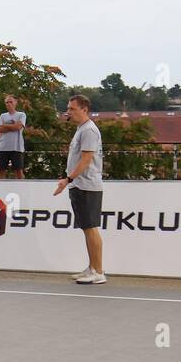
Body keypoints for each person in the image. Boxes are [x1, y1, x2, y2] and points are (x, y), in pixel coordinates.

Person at [53, 94, 106, 284]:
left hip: (87, 186)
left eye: (72, 109)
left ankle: (98, 271)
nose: (69, 112)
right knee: (86, 227)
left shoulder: (89, 130)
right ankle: (92, 267)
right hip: (79, 185)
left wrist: (67, 179)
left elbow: (86, 159)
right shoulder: (80, 129)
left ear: (84, 109)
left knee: (91, 228)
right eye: (68, 108)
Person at [0, 94, 27, 179]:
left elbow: (18, 127)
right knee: (1, 171)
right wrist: (13, 126)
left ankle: (21, 189)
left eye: (11, 102)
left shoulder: (21, 115)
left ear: (15, 103)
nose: (9, 104)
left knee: (18, 171)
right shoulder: (2, 116)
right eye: (7, 102)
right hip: (3, 148)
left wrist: (5, 126)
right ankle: (0, 189)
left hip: (16, 148)